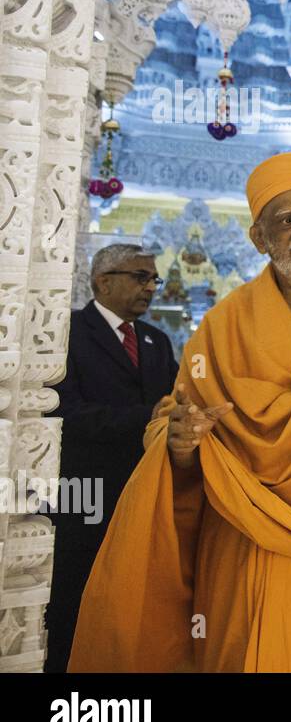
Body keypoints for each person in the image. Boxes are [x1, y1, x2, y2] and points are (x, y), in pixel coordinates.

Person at [69, 152, 291, 671]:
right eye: (287, 221)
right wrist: (181, 446)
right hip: (245, 536)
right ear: (259, 238)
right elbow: (181, 434)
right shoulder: (222, 327)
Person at [44, 245, 177, 672]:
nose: (151, 287)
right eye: (141, 277)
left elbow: (173, 400)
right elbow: (63, 411)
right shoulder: (69, 332)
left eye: (153, 279)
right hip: (82, 490)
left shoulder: (156, 342)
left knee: (130, 595)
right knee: (75, 596)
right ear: (103, 281)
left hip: (140, 489)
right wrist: (145, 417)